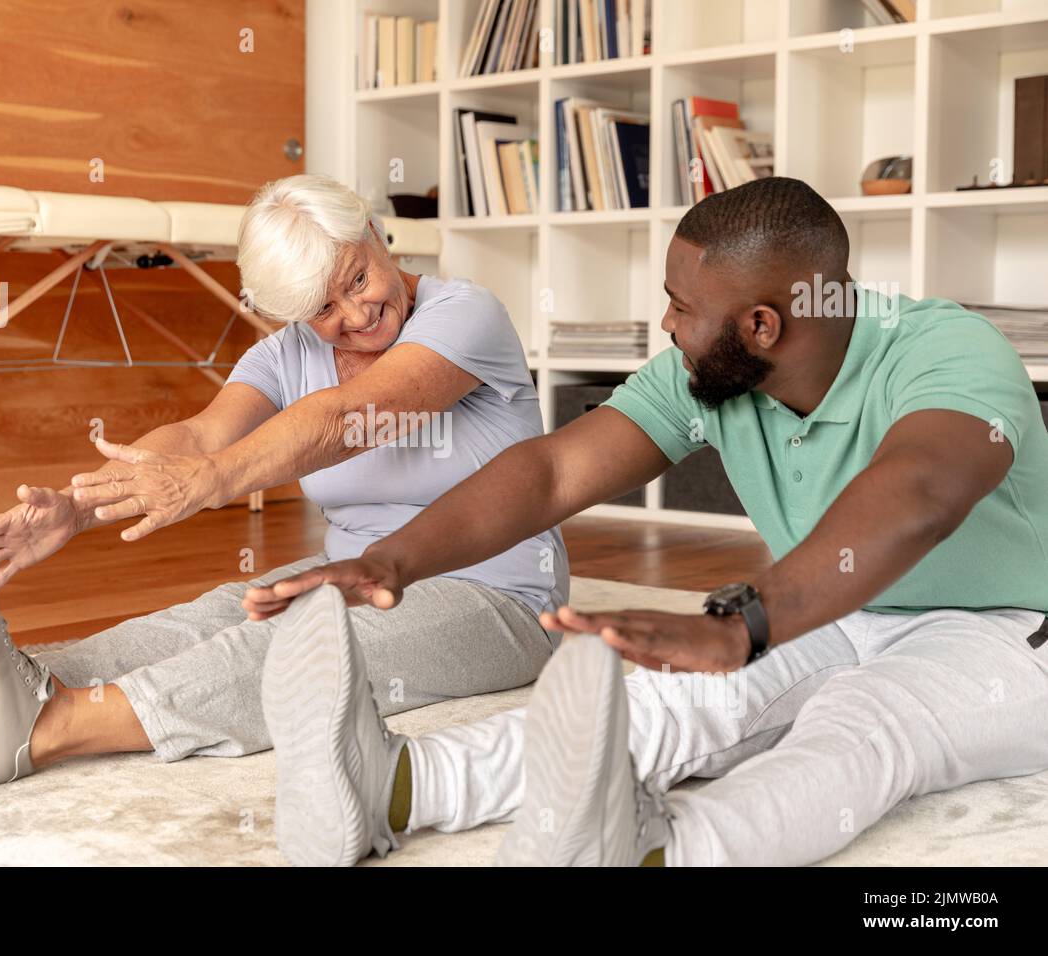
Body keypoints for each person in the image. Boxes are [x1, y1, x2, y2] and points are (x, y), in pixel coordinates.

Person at [247, 176, 1048, 866]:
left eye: (680, 306)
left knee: (864, 723)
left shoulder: (948, 349)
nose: (666, 324)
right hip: (841, 607)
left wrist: (748, 623)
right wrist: (394, 561)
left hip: (1010, 630)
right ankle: (392, 785)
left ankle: (658, 850)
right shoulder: (707, 371)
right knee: (684, 698)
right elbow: (555, 468)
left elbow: (920, 493)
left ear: (761, 326)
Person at [0, 173, 567, 794]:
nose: (354, 317)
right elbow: (203, 436)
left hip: (498, 594)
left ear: (377, 235)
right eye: (324, 309)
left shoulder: (465, 314)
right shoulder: (291, 351)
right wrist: (79, 508)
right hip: (348, 570)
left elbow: (349, 417)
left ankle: (44, 727)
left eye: (358, 280)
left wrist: (209, 482)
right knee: (212, 617)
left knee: (286, 651)